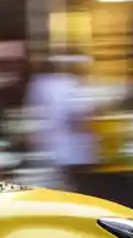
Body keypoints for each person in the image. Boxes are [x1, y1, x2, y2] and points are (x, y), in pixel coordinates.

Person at [24, 54, 97, 193]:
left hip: (49, 149)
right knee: (75, 189)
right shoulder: (69, 84)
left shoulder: (38, 83)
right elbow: (80, 114)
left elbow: (33, 113)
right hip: (70, 152)